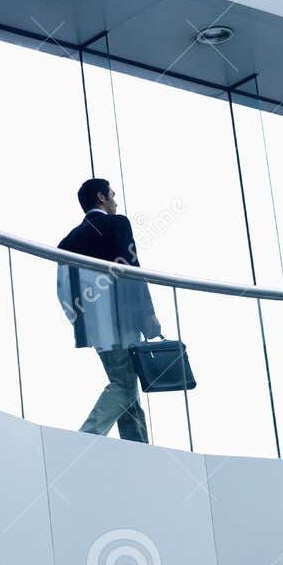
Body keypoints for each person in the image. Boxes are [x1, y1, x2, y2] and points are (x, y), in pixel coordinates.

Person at [56, 178, 162, 442]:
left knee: (125, 381)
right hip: (120, 317)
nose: (116, 200)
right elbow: (130, 267)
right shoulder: (117, 223)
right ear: (101, 198)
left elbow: (62, 286)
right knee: (124, 384)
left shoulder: (69, 239)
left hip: (93, 323)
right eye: (113, 195)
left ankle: (137, 448)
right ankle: (86, 437)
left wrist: (80, 319)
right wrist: (147, 313)